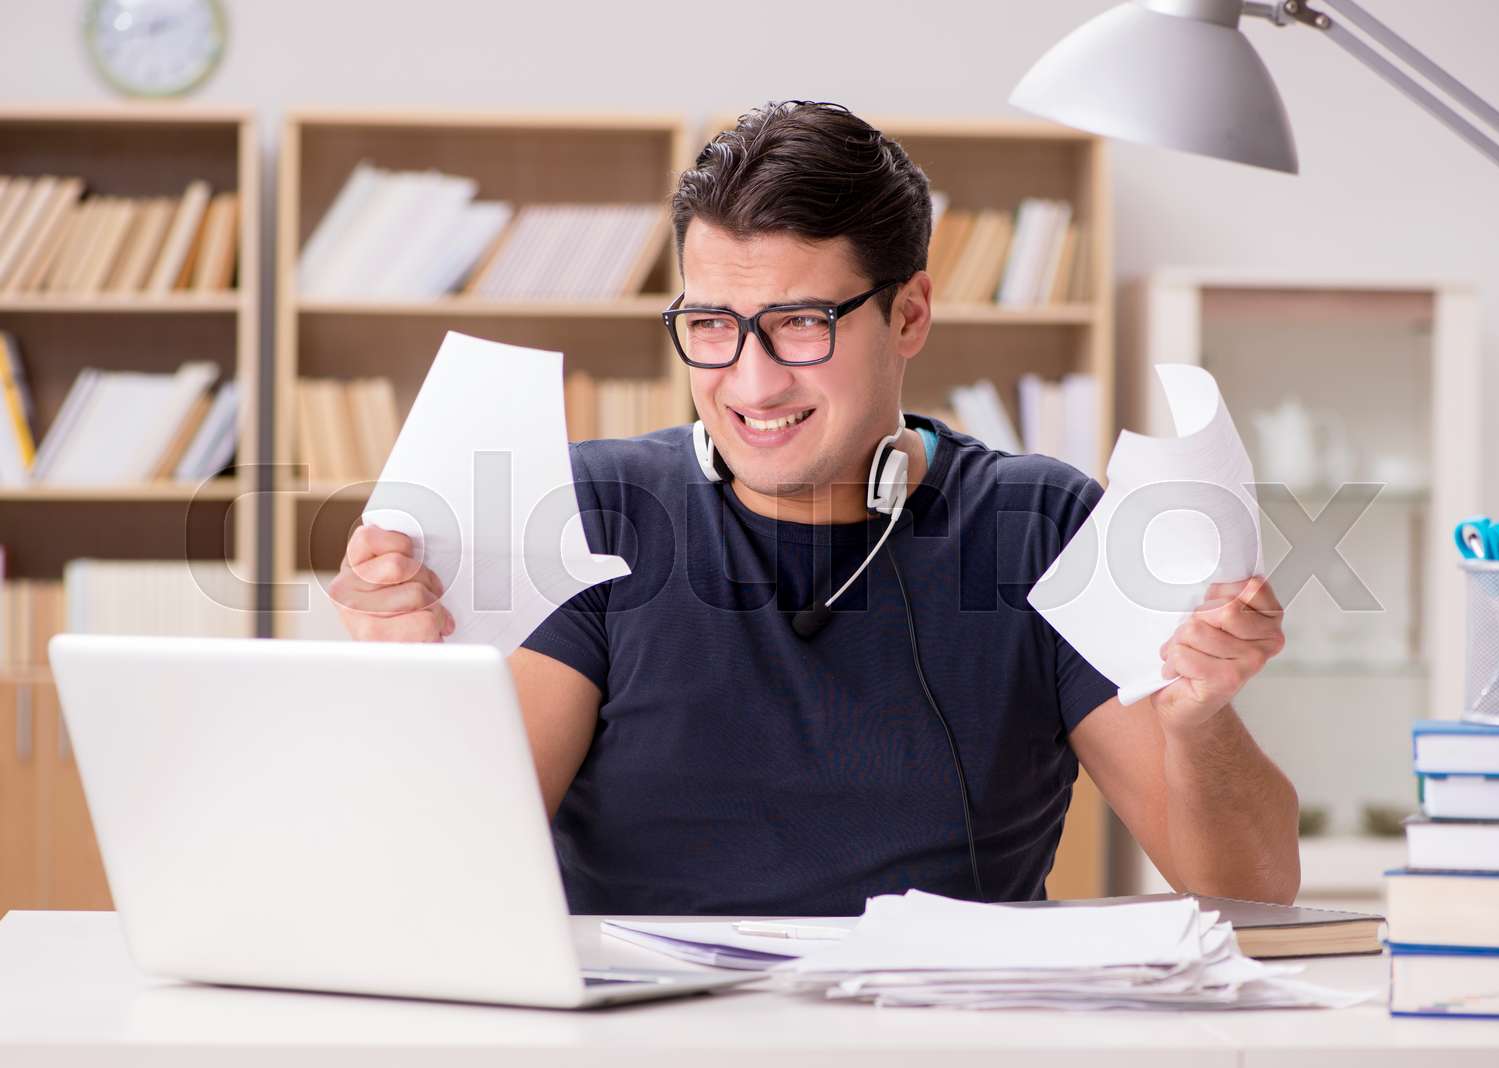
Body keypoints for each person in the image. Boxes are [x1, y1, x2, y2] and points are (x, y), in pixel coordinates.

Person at [331, 100, 1298, 916]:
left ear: (909, 314)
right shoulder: (593, 511)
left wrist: (1199, 720)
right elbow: (435, 881)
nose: (749, 382)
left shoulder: (1040, 525)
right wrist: (412, 689)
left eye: (800, 323)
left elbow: (1253, 896)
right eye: (711, 325)